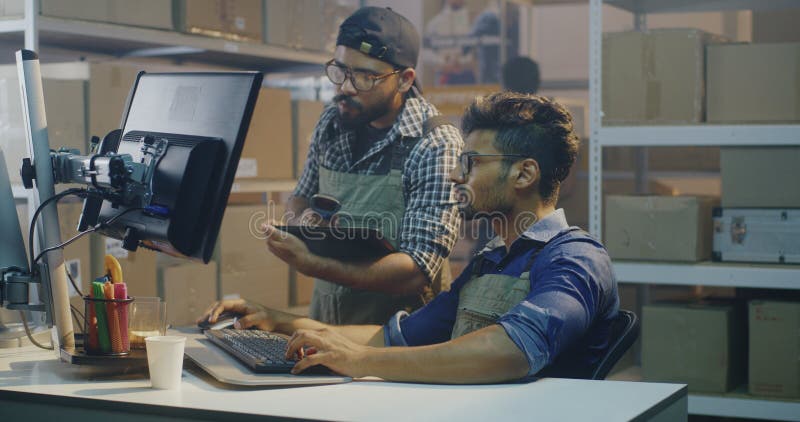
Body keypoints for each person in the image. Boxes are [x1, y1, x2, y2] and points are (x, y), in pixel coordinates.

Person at [201, 92, 619, 383]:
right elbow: (394, 337)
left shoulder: (575, 259)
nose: (456, 175)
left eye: (470, 163)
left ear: (524, 174)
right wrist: (278, 321)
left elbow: (513, 349)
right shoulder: (488, 263)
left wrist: (363, 361)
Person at [276, 7, 464, 326]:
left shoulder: (435, 143)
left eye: (365, 76)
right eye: (340, 70)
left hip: (400, 344)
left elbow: (416, 271)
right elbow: (301, 197)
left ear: (404, 80)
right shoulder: (332, 122)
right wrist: (302, 224)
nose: (346, 87)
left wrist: (311, 263)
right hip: (325, 325)